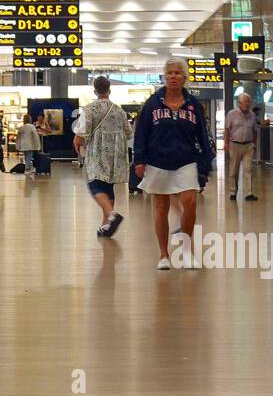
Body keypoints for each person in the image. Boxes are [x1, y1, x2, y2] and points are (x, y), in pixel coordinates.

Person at [133, 57, 214, 271]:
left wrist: (205, 162)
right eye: (169, 73)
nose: (173, 76)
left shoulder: (193, 104)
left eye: (178, 73)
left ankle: (186, 251)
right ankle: (163, 254)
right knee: (161, 207)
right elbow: (141, 133)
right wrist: (139, 159)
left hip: (186, 160)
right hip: (158, 160)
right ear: (164, 77)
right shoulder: (152, 103)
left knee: (190, 202)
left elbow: (203, 135)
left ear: (185, 78)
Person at [74, 76, 133, 237]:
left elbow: (81, 135)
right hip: (116, 154)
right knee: (108, 187)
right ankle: (106, 225)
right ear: (109, 90)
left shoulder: (89, 109)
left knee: (94, 184)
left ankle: (111, 214)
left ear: (95, 91)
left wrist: (79, 149)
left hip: (96, 153)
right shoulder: (119, 111)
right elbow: (129, 133)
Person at [224, 92, 259, 202]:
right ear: (239, 103)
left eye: (249, 102)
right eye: (245, 102)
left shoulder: (252, 115)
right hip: (234, 144)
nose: (248, 104)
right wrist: (226, 143)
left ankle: (249, 193)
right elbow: (227, 129)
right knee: (234, 170)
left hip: (248, 145)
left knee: (248, 170)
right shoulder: (231, 114)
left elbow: (255, 130)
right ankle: (233, 192)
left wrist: (254, 144)